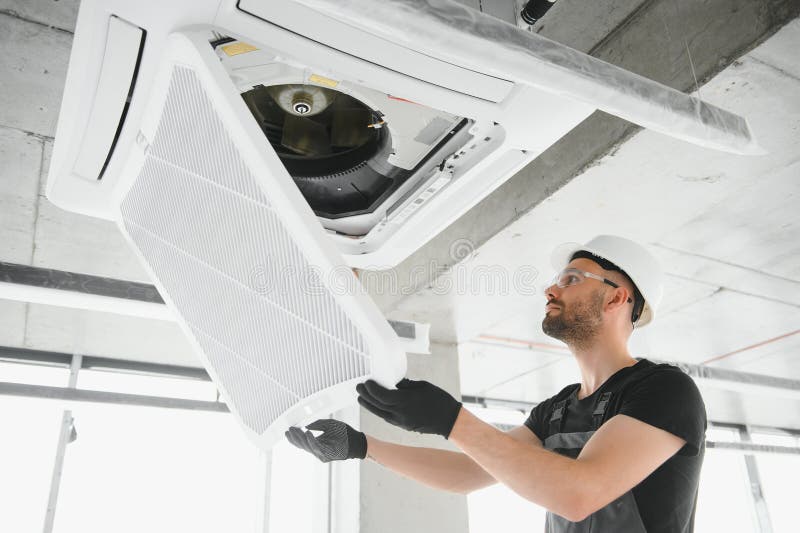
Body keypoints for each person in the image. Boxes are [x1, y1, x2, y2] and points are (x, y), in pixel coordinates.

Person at [286, 235, 707, 532]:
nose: (550, 289)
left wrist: (452, 421)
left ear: (616, 298)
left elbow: (578, 495)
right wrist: (362, 446)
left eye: (572, 279)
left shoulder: (664, 391)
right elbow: (469, 473)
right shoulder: (554, 411)